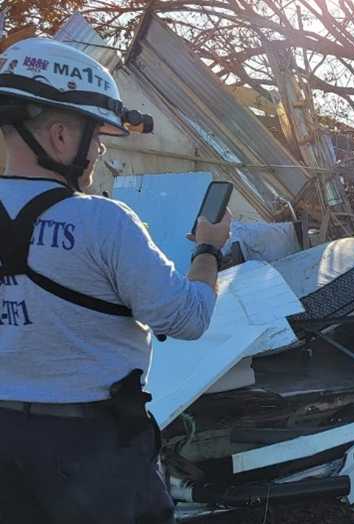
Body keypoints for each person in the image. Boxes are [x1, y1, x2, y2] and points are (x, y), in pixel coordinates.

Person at [0, 38, 230, 523]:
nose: (100, 152)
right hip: (90, 454)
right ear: (60, 135)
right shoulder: (104, 222)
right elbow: (187, 319)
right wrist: (208, 249)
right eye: (95, 137)